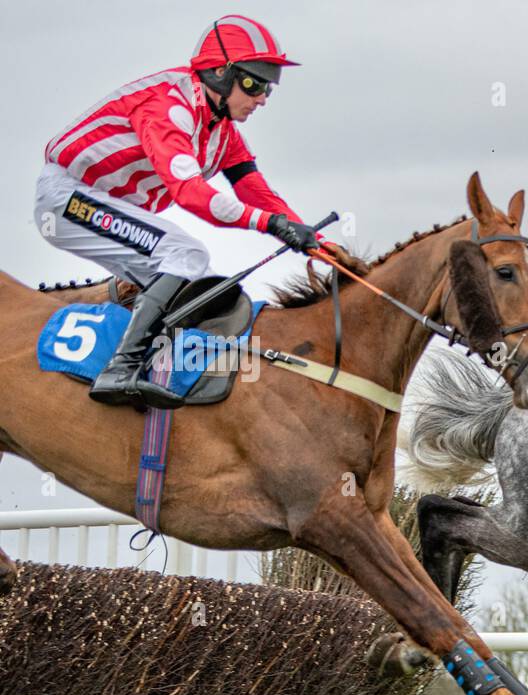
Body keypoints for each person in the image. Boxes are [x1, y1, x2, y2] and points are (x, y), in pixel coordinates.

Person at [35, 15, 320, 408]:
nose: (262, 98)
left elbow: (255, 190)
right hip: (68, 197)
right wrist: (269, 224)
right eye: (254, 83)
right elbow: (189, 193)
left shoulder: (221, 132)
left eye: (269, 88)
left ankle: (144, 364)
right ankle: (120, 369)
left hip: (103, 204)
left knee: (199, 288)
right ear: (220, 73)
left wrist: (312, 239)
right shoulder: (169, 105)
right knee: (186, 255)